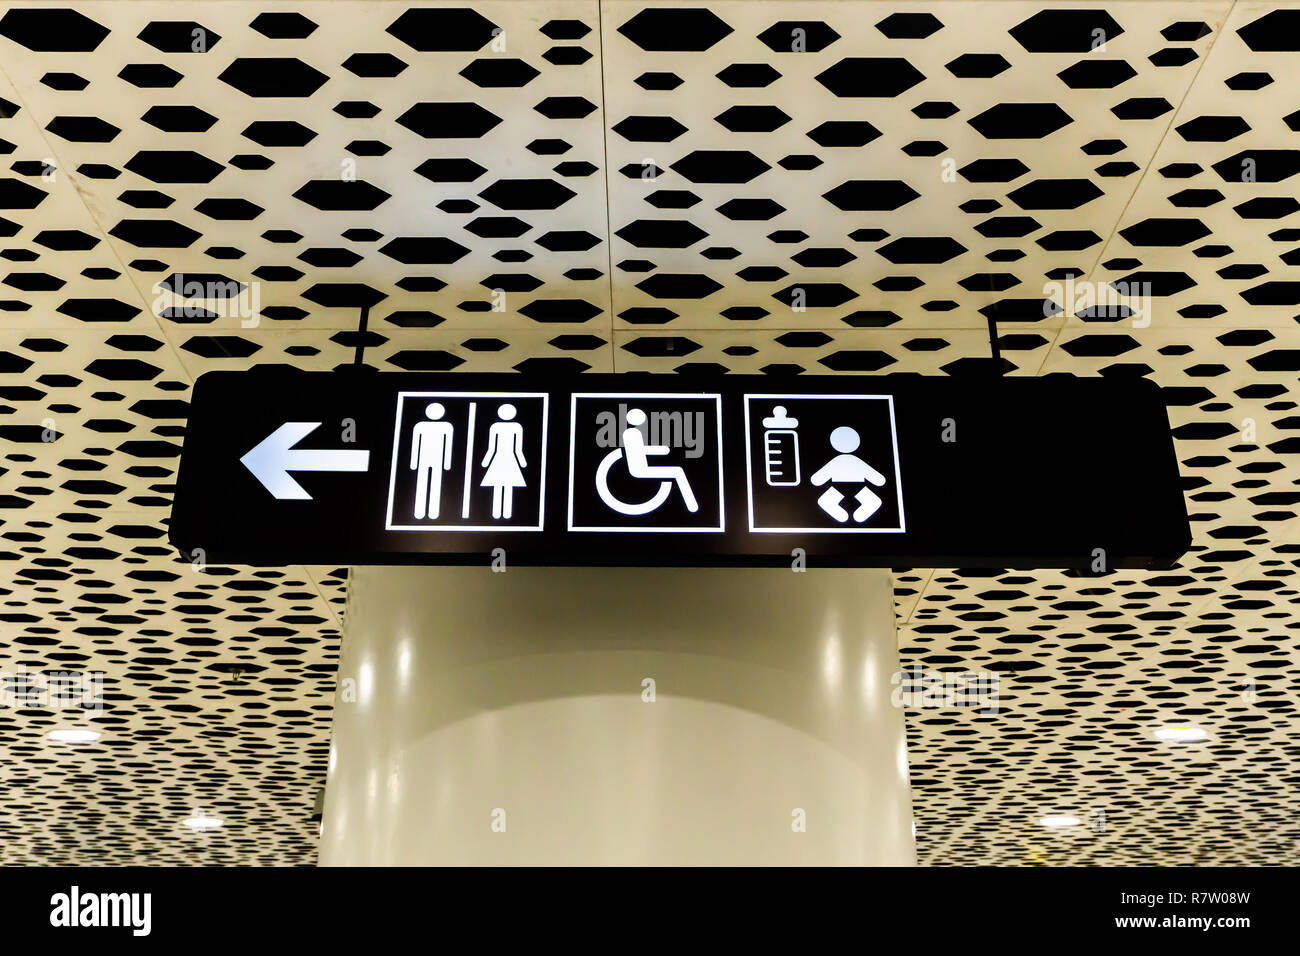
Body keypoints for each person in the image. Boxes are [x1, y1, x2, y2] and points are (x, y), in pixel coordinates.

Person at [621, 408, 698, 512]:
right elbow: (639, 450)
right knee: (677, 471)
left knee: (677, 471)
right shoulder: (631, 433)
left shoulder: (632, 433)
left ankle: (693, 507)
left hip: (642, 467)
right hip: (639, 470)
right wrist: (662, 449)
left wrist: (662, 450)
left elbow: (641, 450)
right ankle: (692, 506)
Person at [809, 426, 886, 523]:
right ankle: (852, 518)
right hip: (858, 488)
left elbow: (817, 480)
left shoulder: (837, 461)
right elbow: (879, 480)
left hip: (839, 488)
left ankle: (848, 518)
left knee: (825, 501)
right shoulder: (855, 461)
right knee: (872, 501)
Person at [480, 403, 526, 520]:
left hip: (507, 459)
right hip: (501, 459)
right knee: (499, 484)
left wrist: (522, 461)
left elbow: (517, 448)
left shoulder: (516, 427)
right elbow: (492, 447)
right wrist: (486, 460)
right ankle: (498, 514)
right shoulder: (495, 427)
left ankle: (505, 514)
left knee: (506, 484)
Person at [410, 402, 454, 520]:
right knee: (422, 483)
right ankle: (419, 512)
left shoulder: (447, 426)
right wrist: (414, 462)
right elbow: (415, 445)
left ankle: (433, 512)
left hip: (437, 460)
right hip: (424, 459)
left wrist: (447, 463)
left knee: (435, 483)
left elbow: (448, 445)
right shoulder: (419, 426)